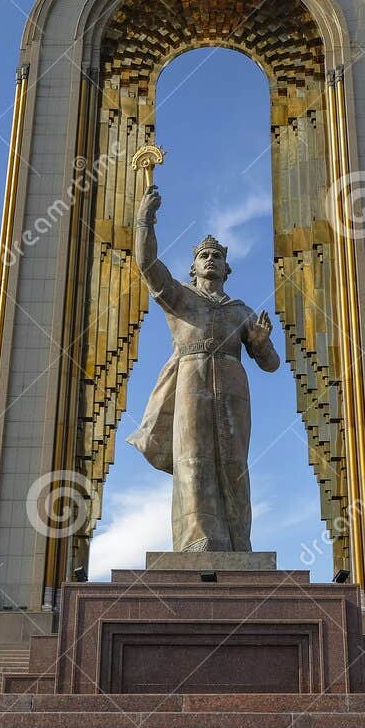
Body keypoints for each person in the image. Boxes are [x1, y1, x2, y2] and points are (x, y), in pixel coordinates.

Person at [126, 185, 281, 551]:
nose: (210, 259)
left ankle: (238, 542)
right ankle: (197, 540)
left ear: (227, 268)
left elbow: (272, 364)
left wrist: (260, 344)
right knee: (193, 461)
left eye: (217, 256)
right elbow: (147, 265)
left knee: (233, 463)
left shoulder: (240, 310)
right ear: (193, 267)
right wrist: (145, 220)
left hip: (233, 386)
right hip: (189, 380)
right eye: (204, 255)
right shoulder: (181, 297)